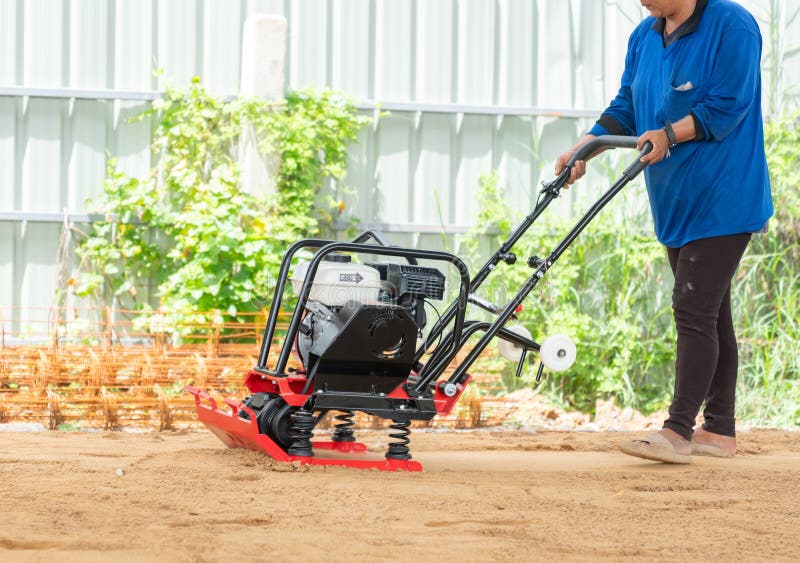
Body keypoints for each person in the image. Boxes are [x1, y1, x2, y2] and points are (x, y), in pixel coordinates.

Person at [555, 0, 773, 463]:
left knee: (692, 308)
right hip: (676, 201)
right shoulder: (645, 36)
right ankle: (720, 430)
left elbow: (729, 104)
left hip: (725, 197)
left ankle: (677, 432)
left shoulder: (732, 26)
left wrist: (670, 134)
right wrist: (585, 147)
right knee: (712, 315)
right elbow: (628, 106)